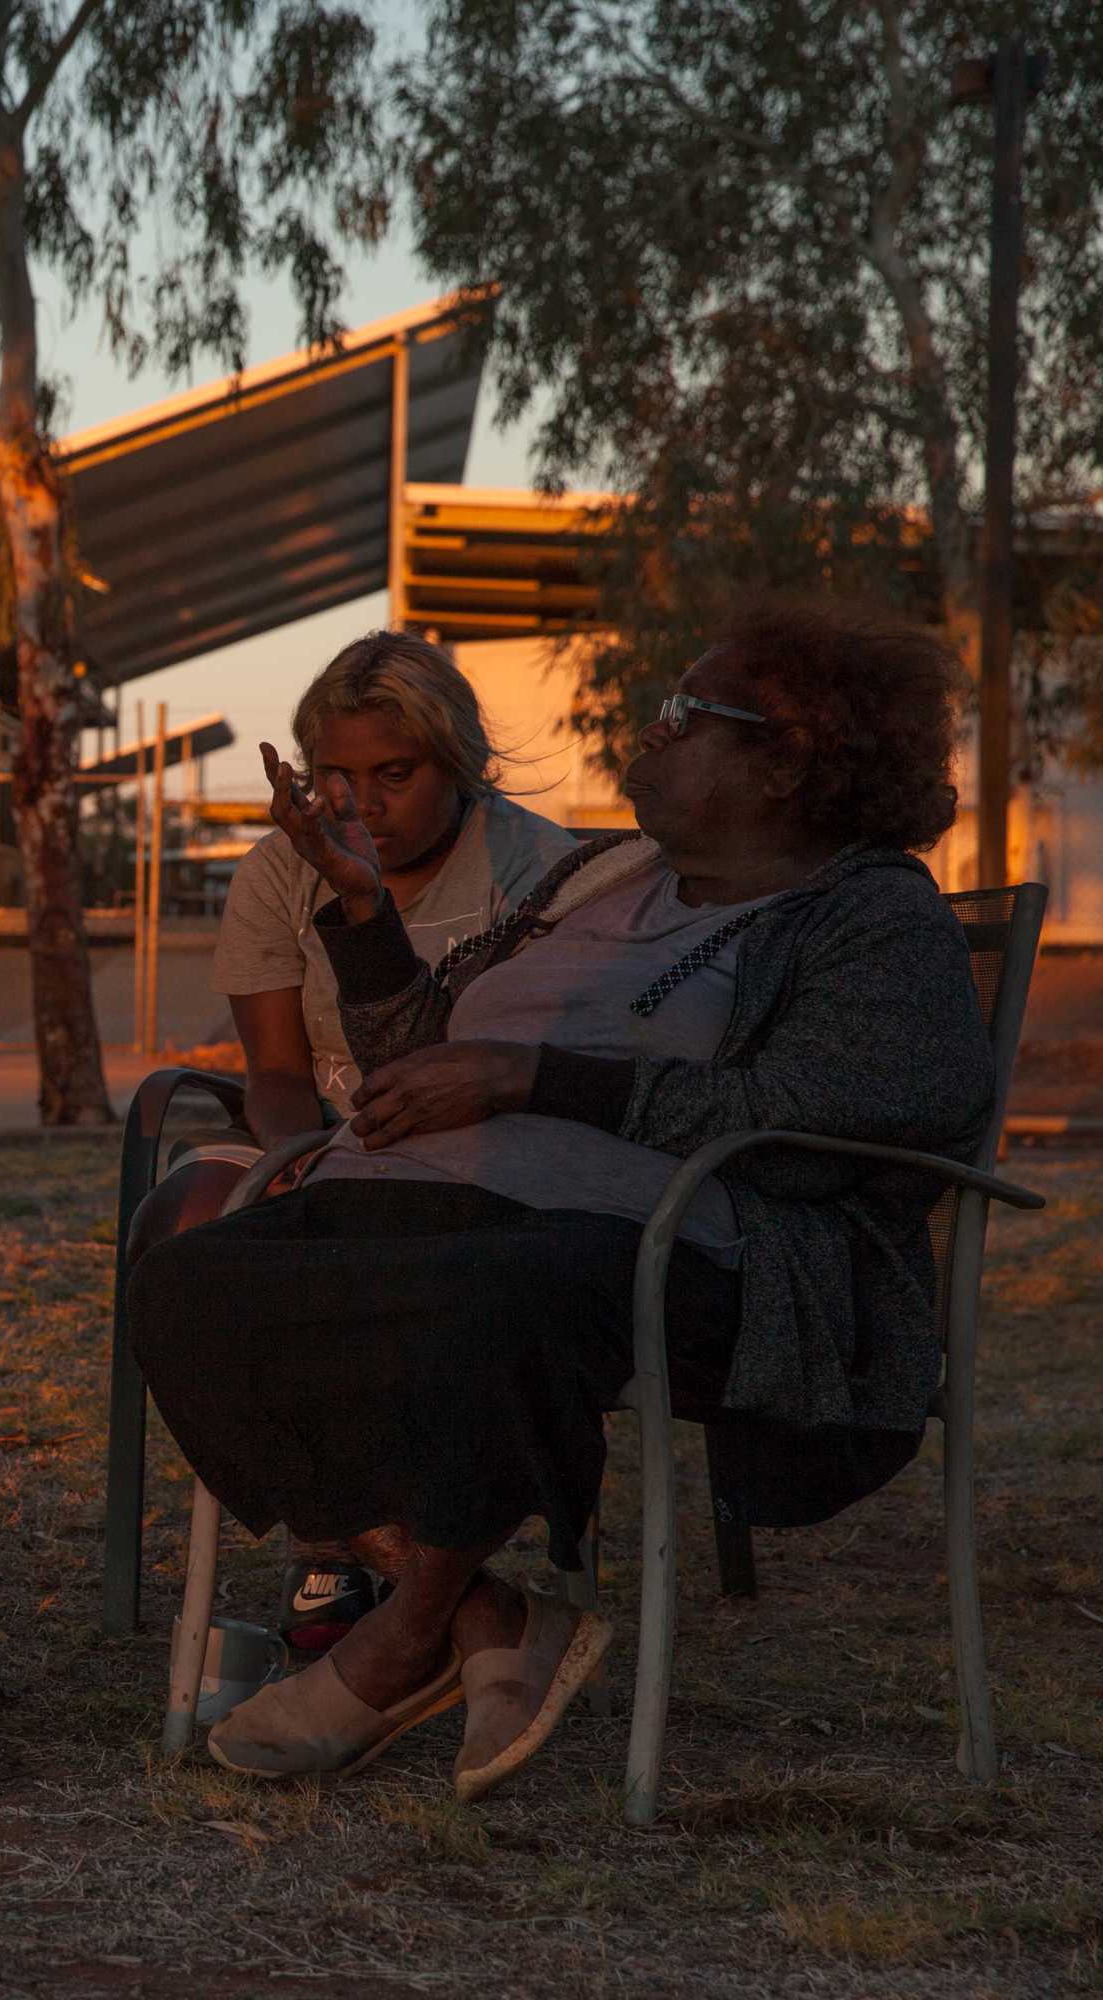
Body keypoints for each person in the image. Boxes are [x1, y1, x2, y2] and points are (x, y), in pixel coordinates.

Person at [124, 598, 994, 1800]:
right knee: (189, 1279)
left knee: (497, 1293)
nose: (652, 725)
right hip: (442, 1206)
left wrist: (542, 1077)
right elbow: (419, 1047)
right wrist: (365, 913)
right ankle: (488, 1615)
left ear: (785, 760)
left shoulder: (868, 910)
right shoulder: (603, 876)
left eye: (687, 714)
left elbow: (856, 1107)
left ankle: (395, 1637)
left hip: (671, 1252)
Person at [128, 633, 577, 1657]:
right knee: (188, 1227)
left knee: (401, 1256)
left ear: (456, 763)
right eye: (336, 773)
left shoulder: (538, 870)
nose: (363, 802)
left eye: (395, 773)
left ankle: (360, 1557)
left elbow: (536, 1070)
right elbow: (275, 1072)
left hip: (481, 1151)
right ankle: (380, 1553)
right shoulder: (281, 872)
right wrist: (301, 1156)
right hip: (324, 1136)